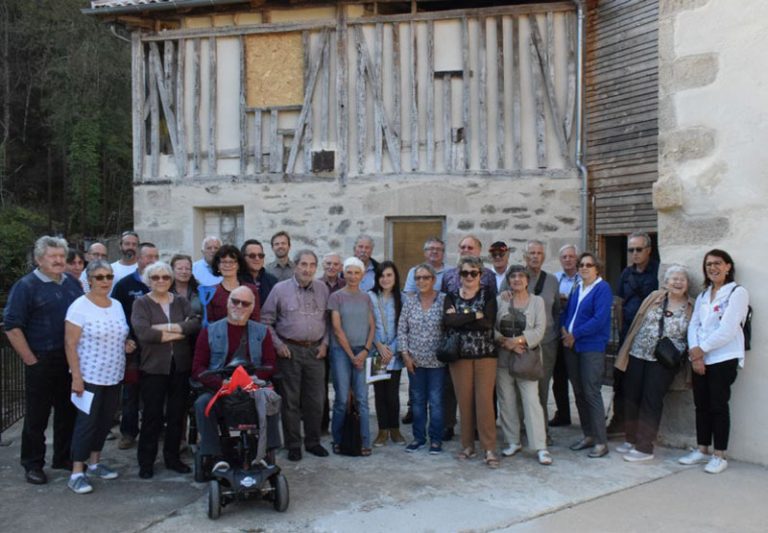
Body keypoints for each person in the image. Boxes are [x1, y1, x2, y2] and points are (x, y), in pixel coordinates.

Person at [4, 236, 83, 485]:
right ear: (39, 259)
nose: (60, 261)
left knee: (67, 412)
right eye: (54, 257)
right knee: (37, 416)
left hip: (69, 358)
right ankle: (33, 464)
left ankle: (63, 457)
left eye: (62, 256)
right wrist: (30, 359)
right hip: (41, 359)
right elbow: (12, 326)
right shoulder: (25, 286)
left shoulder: (71, 282)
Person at [64, 260, 136, 494]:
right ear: (89, 280)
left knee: (104, 422)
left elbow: (118, 332)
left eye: (108, 276)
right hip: (89, 376)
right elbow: (70, 344)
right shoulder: (79, 306)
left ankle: (94, 463)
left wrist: (126, 343)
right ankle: (76, 472)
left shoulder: (116, 304)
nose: (105, 281)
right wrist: (76, 377)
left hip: (114, 375)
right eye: (99, 277)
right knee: (86, 424)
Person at [678, 250, 749, 474]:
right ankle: (702, 449)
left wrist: (700, 350)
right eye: (708, 264)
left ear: (728, 266)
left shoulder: (737, 293)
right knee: (701, 406)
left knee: (718, 406)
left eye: (718, 263)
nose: (712, 268)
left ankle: (720, 455)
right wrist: (695, 353)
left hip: (723, 357)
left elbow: (727, 330)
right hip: (700, 357)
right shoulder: (703, 295)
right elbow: (694, 325)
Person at [192, 286, 278, 467]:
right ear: (227, 302)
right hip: (221, 385)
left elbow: (270, 364)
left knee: (271, 399)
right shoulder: (210, 331)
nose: (239, 306)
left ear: (252, 307)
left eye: (245, 303)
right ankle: (215, 456)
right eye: (235, 301)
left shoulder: (262, 331)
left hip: (251, 385)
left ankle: (265, 452)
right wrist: (221, 383)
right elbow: (198, 368)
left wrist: (249, 380)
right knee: (202, 404)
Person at [614, 265, 693, 462]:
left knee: (651, 401)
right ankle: (630, 439)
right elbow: (638, 321)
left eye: (681, 279)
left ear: (687, 284)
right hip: (638, 353)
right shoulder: (655, 297)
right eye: (673, 278)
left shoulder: (691, 306)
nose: (677, 282)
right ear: (665, 283)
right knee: (632, 397)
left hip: (664, 361)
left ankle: (644, 447)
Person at [131, 261, 201, 478]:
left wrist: (166, 328)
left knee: (176, 414)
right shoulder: (141, 303)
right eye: (155, 277)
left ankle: (172, 458)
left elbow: (194, 324)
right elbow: (144, 333)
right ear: (148, 280)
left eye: (165, 277)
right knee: (152, 415)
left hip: (179, 366)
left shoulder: (180, 301)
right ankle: (146, 462)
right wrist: (178, 330)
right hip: (153, 368)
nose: (161, 281)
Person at [261, 250, 331, 461]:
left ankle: (313, 441)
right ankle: (293, 444)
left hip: (316, 352)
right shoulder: (280, 290)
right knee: (291, 401)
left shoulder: (322, 289)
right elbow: (266, 320)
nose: (307, 269)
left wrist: (326, 343)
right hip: (289, 351)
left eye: (312, 265)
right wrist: (278, 344)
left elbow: (329, 320)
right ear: (295, 266)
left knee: (316, 400)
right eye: (303, 265)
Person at [439, 235, 496, 441]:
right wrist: (473, 315)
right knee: (456, 393)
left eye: (470, 247)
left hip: (483, 350)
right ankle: (453, 429)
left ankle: (481, 435)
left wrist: (460, 318)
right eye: (462, 246)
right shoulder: (448, 278)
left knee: (482, 398)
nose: (469, 276)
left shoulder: (488, 281)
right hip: (457, 349)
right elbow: (448, 318)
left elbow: (489, 318)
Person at [495, 265, 552, 466]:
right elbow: (492, 329)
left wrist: (518, 341)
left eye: (521, 276)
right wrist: (505, 342)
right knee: (506, 400)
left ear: (527, 280)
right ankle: (512, 441)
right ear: (509, 280)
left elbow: (539, 330)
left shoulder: (537, 302)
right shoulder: (501, 301)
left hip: (526, 359)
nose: (517, 279)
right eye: (513, 276)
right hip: (503, 359)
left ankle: (540, 446)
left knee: (531, 401)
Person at [561, 252, 613, 458]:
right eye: (581, 264)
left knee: (591, 392)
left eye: (589, 265)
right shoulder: (577, 286)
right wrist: (564, 330)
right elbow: (568, 312)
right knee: (579, 392)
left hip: (591, 346)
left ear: (597, 268)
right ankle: (588, 434)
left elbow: (599, 319)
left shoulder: (602, 288)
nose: (584, 268)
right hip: (571, 346)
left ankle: (601, 441)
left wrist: (576, 334)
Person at [611, 232, 659, 435]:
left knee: (643, 384)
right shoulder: (626, 274)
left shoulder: (657, 271)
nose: (635, 253)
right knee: (621, 379)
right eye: (631, 250)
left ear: (648, 250)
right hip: (627, 334)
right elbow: (620, 303)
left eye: (639, 249)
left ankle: (642, 429)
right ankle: (619, 422)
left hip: (648, 335)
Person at [111, 242, 159, 450]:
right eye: (148, 256)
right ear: (138, 259)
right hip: (133, 348)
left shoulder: (163, 281)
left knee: (156, 393)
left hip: (157, 347)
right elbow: (116, 315)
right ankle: (128, 433)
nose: (152, 260)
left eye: (155, 256)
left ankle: (156, 429)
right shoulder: (124, 285)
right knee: (131, 392)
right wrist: (125, 339)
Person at [328, 257, 376, 456]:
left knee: (363, 399)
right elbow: (337, 329)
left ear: (362, 275)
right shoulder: (336, 297)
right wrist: (352, 355)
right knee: (341, 399)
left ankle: (365, 441)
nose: (353, 276)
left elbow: (372, 326)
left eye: (357, 273)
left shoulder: (366, 297)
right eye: (349, 272)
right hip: (341, 352)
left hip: (363, 351)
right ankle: (338, 439)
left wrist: (365, 350)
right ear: (344, 274)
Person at [398, 264, 446, 454]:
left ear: (433, 280)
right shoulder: (409, 302)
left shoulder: (443, 300)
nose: (422, 281)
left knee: (435, 401)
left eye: (426, 277)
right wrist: (405, 355)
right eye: (418, 278)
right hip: (415, 362)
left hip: (438, 363)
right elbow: (402, 329)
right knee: (417, 401)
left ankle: (435, 439)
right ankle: (419, 438)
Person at [521, 240, 560, 437]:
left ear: (543, 257)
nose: (535, 256)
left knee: (542, 389)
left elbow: (556, 311)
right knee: (521, 388)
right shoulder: (516, 277)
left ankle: (541, 432)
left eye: (539, 253)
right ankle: (520, 429)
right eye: (531, 253)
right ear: (525, 256)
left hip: (547, 342)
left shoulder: (552, 280)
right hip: (521, 343)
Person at [369, 261, 405, 447]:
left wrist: (392, 348)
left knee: (392, 394)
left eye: (389, 275)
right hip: (377, 353)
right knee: (380, 393)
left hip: (395, 354)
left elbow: (404, 326)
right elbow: (369, 323)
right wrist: (379, 346)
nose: (385, 279)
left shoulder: (402, 298)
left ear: (395, 277)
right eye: (382, 276)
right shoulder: (370, 297)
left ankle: (395, 429)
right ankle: (382, 430)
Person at [550, 244, 580, 427]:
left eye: (571, 256)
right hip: (557, 333)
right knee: (559, 377)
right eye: (564, 257)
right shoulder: (554, 279)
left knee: (578, 378)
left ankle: (585, 416)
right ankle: (563, 414)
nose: (568, 259)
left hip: (576, 334)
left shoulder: (583, 278)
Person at [205, 245, 261, 323]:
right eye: (224, 261)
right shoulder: (211, 292)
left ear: (238, 265)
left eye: (231, 261)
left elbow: (256, 320)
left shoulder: (251, 290)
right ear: (218, 265)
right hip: (219, 334)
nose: (227, 265)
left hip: (247, 334)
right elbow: (210, 321)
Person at [241, 239, 278, 305]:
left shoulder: (273, 281)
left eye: (260, 255)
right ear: (243, 258)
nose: (257, 258)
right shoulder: (235, 281)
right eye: (252, 256)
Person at [170, 254, 202, 319]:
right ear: (172, 270)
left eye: (187, 269)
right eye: (180, 269)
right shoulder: (166, 290)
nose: (184, 272)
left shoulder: (200, 290)